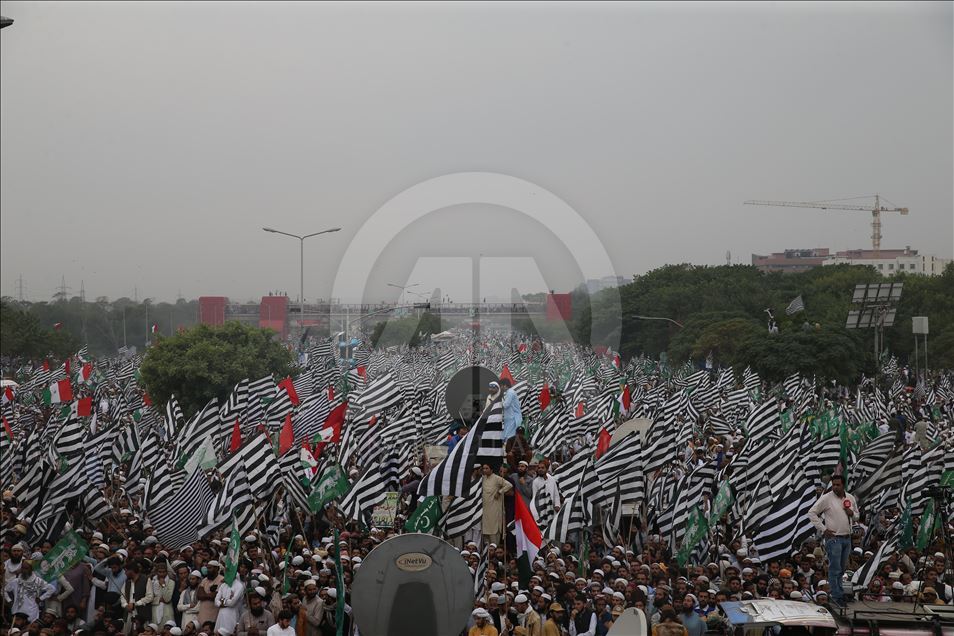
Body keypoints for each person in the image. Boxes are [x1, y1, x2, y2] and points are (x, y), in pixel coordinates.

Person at [807, 474, 857, 606]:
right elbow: (811, 512)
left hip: (847, 537)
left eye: (838, 485)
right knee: (834, 568)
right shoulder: (827, 498)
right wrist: (823, 529)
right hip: (834, 538)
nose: (835, 487)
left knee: (842, 568)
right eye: (833, 484)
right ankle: (837, 596)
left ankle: (839, 593)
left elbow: (857, 516)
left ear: (843, 485)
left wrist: (851, 513)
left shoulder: (850, 498)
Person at [480, 464, 513, 546]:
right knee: (485, 534)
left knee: (494, 532)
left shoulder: (496, 478)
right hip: (485, 510)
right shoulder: (483, 479)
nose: (484, 470)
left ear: (491, 470)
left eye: (486, 468)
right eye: (483, 468)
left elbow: (509, 485)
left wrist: (499, 492)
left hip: (494, 509)